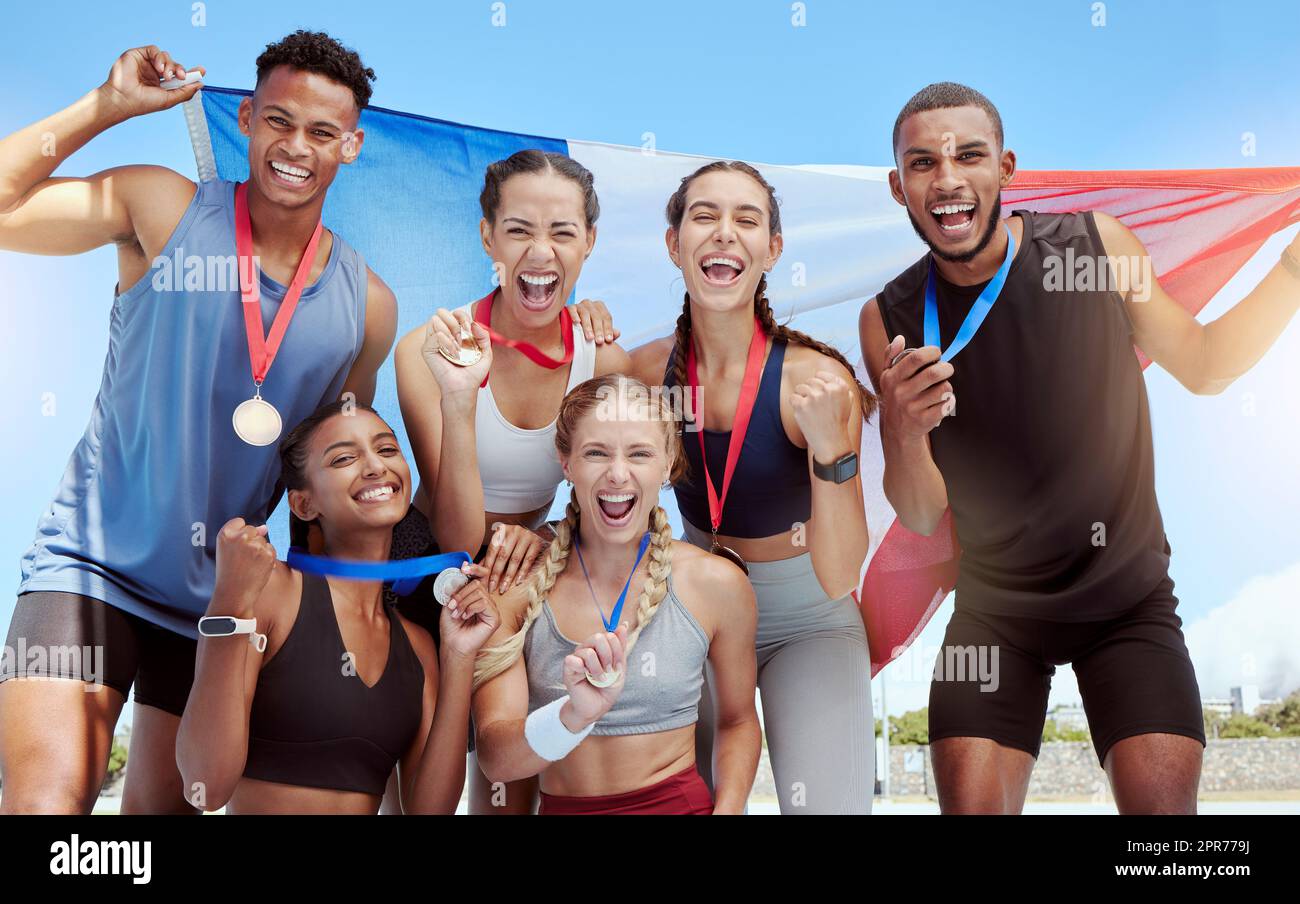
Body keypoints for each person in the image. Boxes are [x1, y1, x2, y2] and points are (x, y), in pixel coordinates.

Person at [860, 82, 1300, 814]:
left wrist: (1290, 271)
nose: (947, 178)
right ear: (898, 186)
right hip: (995, 612)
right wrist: (903, 430)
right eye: (922, 162)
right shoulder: (890, 316)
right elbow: (921, 508)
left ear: (1005, 167)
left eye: (968, 155)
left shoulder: (1096, 245)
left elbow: (1204, 364)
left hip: (1126, 602)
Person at [0, 32, 397, 814]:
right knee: (47, 809)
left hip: (219, 604)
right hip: (89, 568)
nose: (296, 147)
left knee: (154, 828)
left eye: (322, 132)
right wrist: (106, 106)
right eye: (279, 120)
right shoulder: (162, 205)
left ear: (351, 146)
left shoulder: (367, 307)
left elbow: (328, 482)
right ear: (246, 118)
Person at [629, 160, 877, 814]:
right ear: (673, 243)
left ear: (772, 250)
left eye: (746, 219)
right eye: (703, 216)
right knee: (678, 801)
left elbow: (842, 571)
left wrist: (832, 453)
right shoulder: (645, 371)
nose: (723, 233)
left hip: (809, 617)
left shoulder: (814, 381)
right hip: (696, 609)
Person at [394, 149, 632, 812]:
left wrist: (552, 531)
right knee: (417, 786)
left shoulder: (603, 358)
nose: (541, 251)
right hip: (426, 565)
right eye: (520, 229)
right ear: (486, 236)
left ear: (588, 243)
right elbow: (460, 533)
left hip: (532, 570)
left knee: (507, 785)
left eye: (562, 232)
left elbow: (618, 494)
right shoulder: (425, 350)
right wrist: (460, 397)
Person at [177, 403, 496, 813]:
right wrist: (230, 603)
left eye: (386, 449)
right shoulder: (271, 591)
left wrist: (459, 657)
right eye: (344, 458)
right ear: (304, 505)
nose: (375, 467)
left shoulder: (418, 648)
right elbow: (205, 784)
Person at [471, 375, 760, 814]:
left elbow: (738, 721)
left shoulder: (717, 584)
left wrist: (730, 809)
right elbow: (496, 760)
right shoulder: (514, 584)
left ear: (667, 465)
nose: (618, 473)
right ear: (565, 463)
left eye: (640, 453)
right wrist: (574, 716)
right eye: (596, 453)